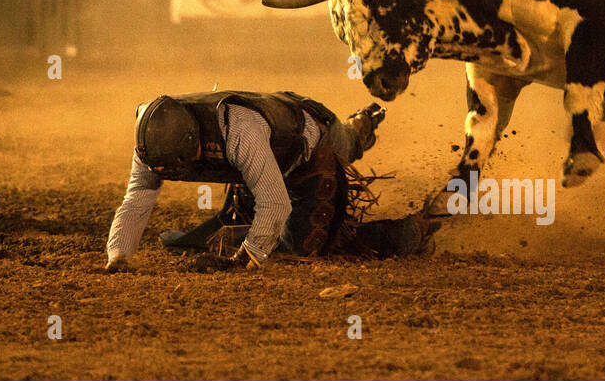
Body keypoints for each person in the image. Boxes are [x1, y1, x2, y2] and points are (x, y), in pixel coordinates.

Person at [104, 91, 430, 273]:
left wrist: (244, 260)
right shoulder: (151, 143)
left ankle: (405, 232)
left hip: (308, 156)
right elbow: (136, 200)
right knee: (231, 232)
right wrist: (118, 255)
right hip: (263, 162)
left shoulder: (239, 129)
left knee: (304, 251)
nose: (165, 172)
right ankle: (354, 131)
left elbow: (276, 202)